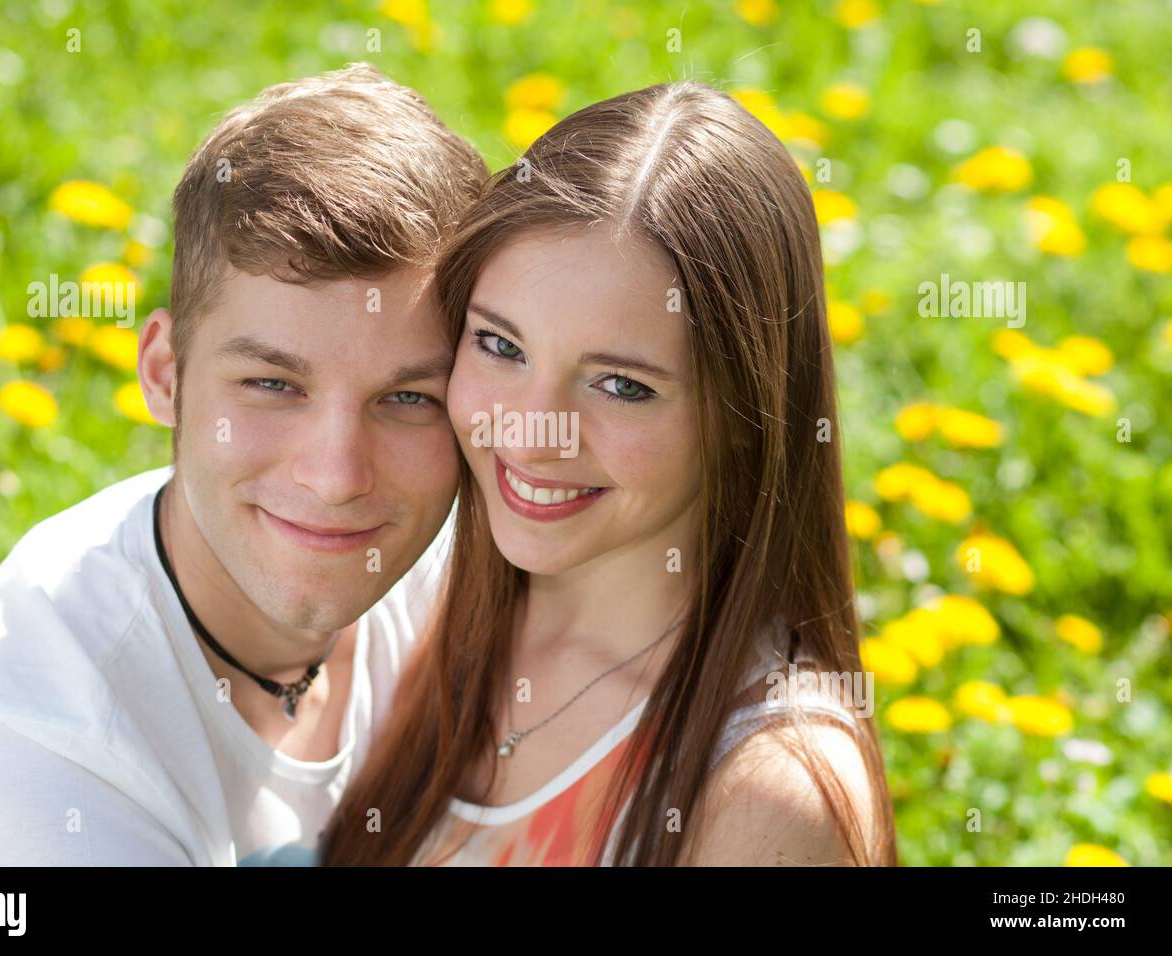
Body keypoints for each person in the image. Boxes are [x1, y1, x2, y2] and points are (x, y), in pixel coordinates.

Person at [0, 63, 487, 865]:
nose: (337, 476)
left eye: (410, 399)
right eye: (272, 384)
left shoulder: (461, 574)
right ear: (164, 374)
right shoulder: (25, 771)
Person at [320, 80, 898, 866]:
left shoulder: (770, 791)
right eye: (501, 346)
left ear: (745, 417)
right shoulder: (404, 598)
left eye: (622, 385)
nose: (531, 430)